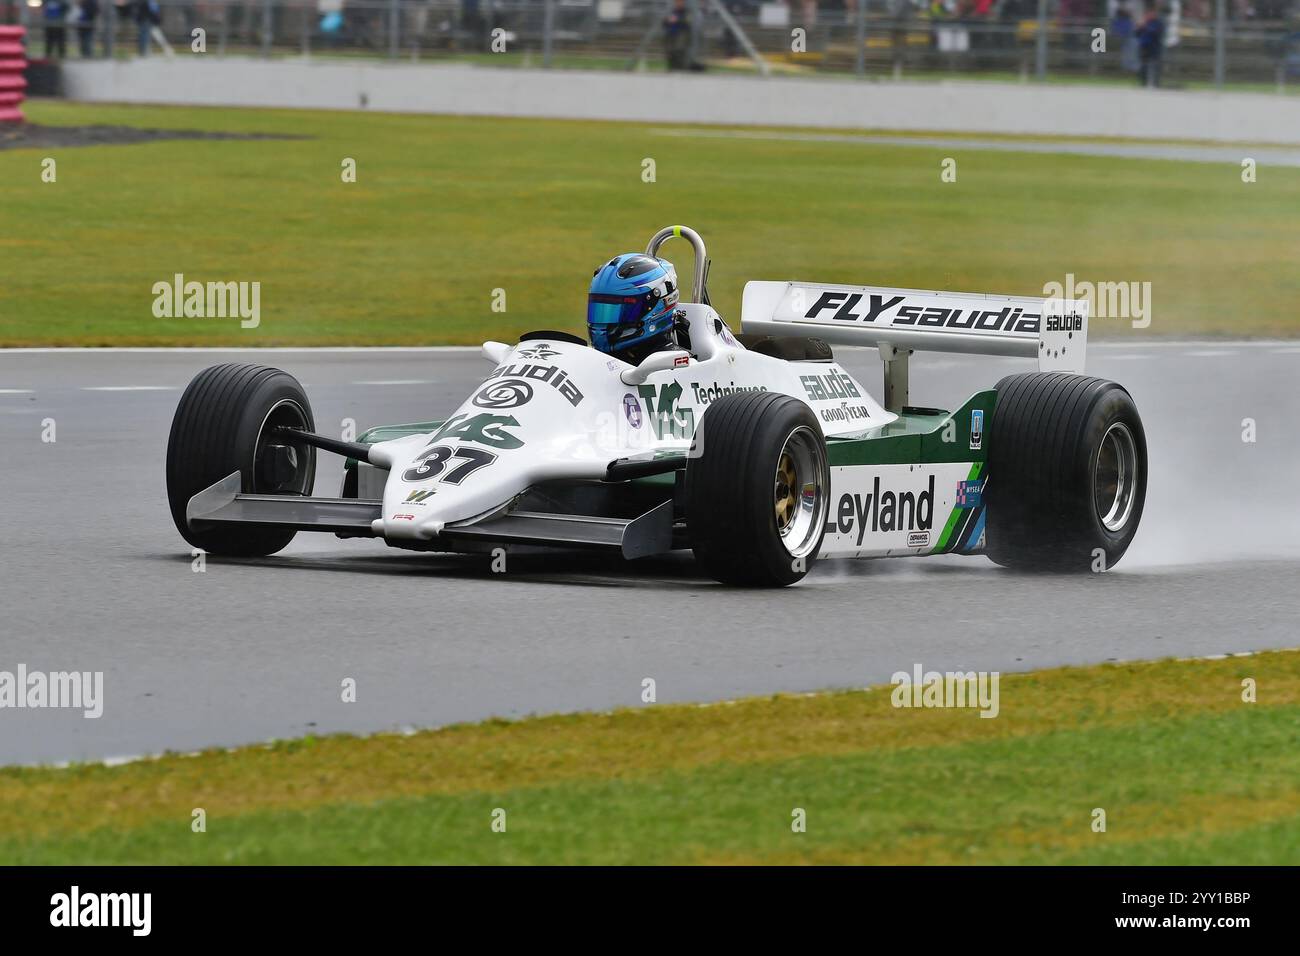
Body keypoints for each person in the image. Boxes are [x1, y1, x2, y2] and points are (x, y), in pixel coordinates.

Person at [586, 254, 683, 365]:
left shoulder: (679, 369)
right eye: (600, 311)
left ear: (659, 306)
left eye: (623, 311)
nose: (602, 326)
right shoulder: (593, 361)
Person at [1135, 0, 1165, 88]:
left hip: (1155, 47)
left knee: (1156, 65)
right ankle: (1143, 83)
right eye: (1148, 13)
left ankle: (1156, 83)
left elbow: (1156, 33)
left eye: (1151, 13)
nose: (1149, 15)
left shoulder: (1158, 22)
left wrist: (1145, 27)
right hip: (1144, 46)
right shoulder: (1144, 22)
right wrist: (1139, 27)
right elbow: (1137, 34)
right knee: (1143, 65)